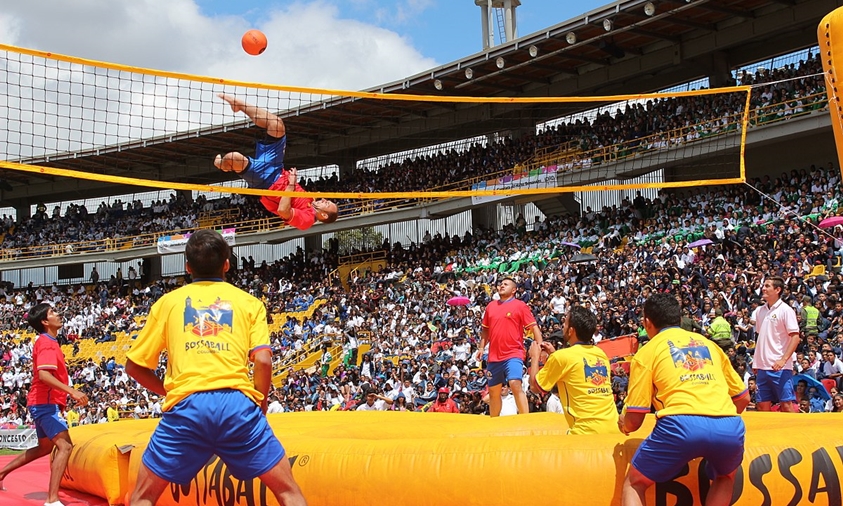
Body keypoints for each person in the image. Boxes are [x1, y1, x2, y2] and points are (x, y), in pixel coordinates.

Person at [124, 229, 307, 506]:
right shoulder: (249, 303)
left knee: (143, 496)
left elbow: (134, 366)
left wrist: (170, 392)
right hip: (237, 404)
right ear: (227, 264)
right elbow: (263, 360)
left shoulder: (167, 304)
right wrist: (260, 402)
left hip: (187, 406)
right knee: (288, 491)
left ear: (187, 267)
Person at [619, 293, 749, 506]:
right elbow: (743, 398)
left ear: (647, 322)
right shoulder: (709, 345)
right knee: (725, 477)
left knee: (634, 483)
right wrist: (715, 423)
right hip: (729, 424)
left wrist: (624, 425)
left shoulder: (647, 352)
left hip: (680, 424)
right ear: (679, 319)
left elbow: (635, 420)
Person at [0, 303, 89, 506]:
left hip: (42, 402)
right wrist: (72, 391)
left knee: (44, 448)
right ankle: (52, 500)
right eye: (52, 312)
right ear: (45, 321)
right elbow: (44, 375)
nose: (58, 314)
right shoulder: (47, 343)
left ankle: (1, 473)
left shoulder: (48, 341)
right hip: (44, 403)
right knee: (65, 446)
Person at [214, 94, 338, 230]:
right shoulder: (312, 200)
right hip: (277, 168)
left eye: (327, 204)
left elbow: (283, 211)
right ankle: (239, 105)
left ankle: (222, 165)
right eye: (328, 201)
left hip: (265, 182)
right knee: (277, 125)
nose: (325, 200)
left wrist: (291, 184)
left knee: (233, 157)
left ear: (324, 215)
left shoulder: (307, 220)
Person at [529, 306, 619, 435]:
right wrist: (554, 355)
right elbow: (577, 373)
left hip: (585, 433)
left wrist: (534, 357)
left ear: (571, 331)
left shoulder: (561, 357)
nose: (563, 327)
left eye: (565, 323)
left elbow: (535, 387)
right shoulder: (601, 354)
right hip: (613, 428)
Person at [476, 277, 543, 417]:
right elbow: (485, 330)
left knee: (515, 383)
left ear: (514, 290)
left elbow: (534, 327)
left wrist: (540, 346)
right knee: (494, 391)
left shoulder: (520, 306)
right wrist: (481, 348)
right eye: (500, 284)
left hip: (513, 353)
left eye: (505, 284)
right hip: (494, 356)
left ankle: (525, 419)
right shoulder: (491, 306)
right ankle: (494, 421)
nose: (501, 286)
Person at [754, 276, 800, 412]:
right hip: (762, 366)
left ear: (777, 289)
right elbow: (761, 337)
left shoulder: (786, 310)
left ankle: (793, 427)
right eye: (763, 285)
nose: (763, 288)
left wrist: (783, 360)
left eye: (767, 286)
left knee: (786, 404)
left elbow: (795, 337)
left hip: (780, 367)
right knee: (762, 405)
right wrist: (756, 362)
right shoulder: (760, 311)